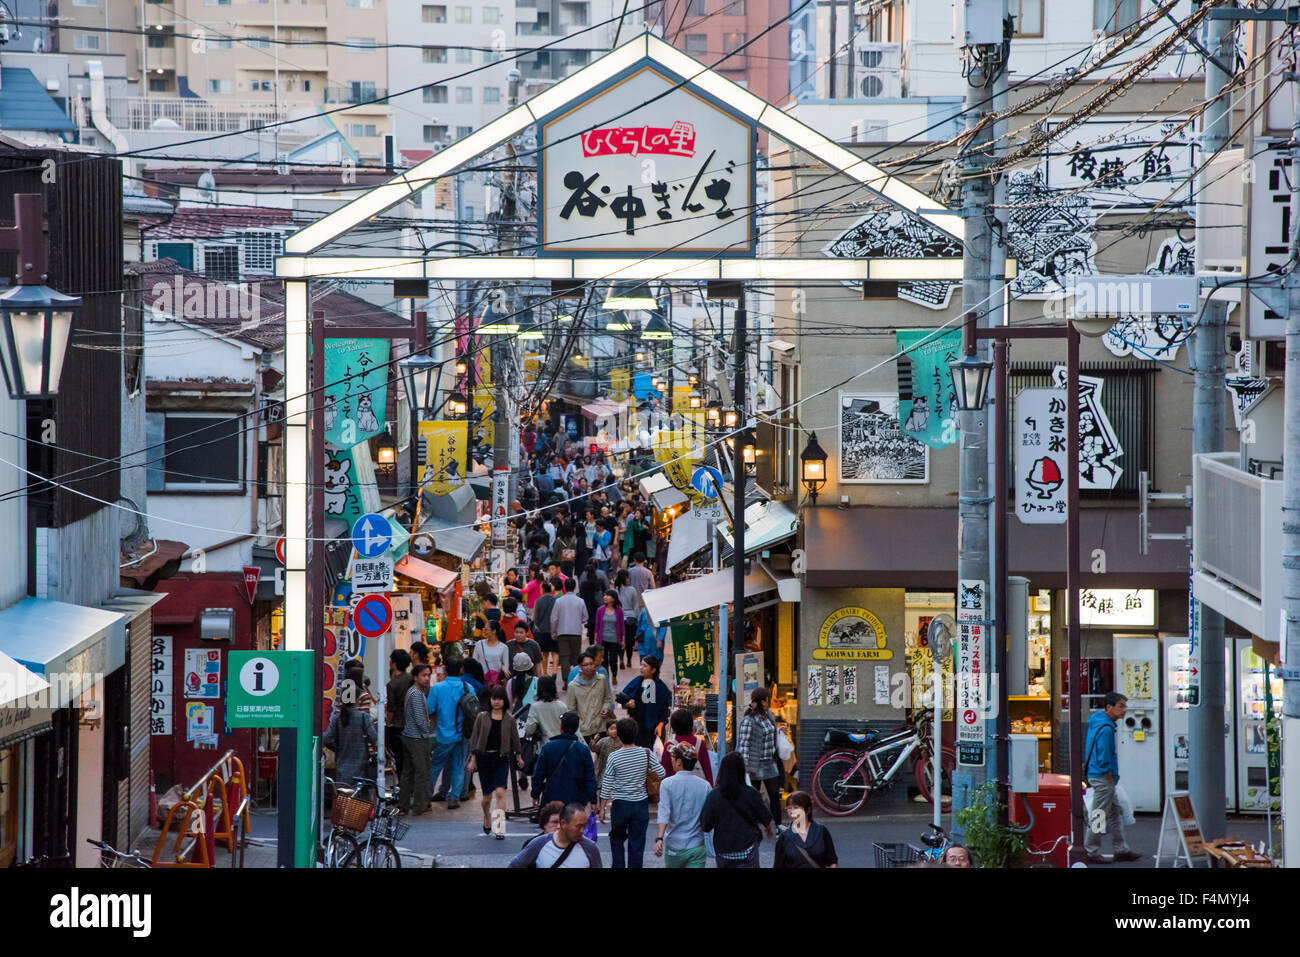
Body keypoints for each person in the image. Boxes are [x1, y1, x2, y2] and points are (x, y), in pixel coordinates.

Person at [597, 718, 666, 868]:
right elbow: (662, 772)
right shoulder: (645, 753)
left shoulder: (614, 757)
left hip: (620, 804)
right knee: (637, 842)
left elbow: (607, 783)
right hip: (640, 804)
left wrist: (602, 808)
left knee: (616, 839)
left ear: (619, 735)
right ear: (636, 734)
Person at [1084, 691, 1141, 863]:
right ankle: (1091, 851)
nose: (1124, 710)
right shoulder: (1107, 728)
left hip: (1099, 775)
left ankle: (1121, 849)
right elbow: (1104, 755)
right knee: (1099, 814)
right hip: (1103, 777)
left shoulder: (1098, 722)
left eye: (1125, 706)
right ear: (1109, 707)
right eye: (1120, 706)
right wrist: (1108, 774)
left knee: (1115, 812)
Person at [467, 685, 524, 839]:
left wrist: (519, 756)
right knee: (486, 798)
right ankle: (487, 816)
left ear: (504, 700)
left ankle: (499, 827)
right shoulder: (482, 717)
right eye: (494, 699)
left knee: (500, 792)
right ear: (490, 700)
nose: (496, 702)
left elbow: (515, 740)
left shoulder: (509, 719)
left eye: (499, 699)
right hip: (484, 758)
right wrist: (473, 760)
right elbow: (474, 739)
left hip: (501, 759)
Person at [701, 752, 774, 868]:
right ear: (741, 771)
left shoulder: (714, 796)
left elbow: (706, 825)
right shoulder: (752, 793)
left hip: (723, 852)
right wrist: (768, 830)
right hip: (747, 850)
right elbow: (765, 817)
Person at [655, 743, 712, 868]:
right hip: (697, 845)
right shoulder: (705, 785)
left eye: (673, 757)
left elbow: (664, 813)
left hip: (674, 845)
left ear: (679, 762)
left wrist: (659, 838)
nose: (671, 760)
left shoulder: (667, 784)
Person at [425, 658, 468, 810]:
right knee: (458, 765)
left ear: (445, 670)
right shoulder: (467, 687)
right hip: (462, 732)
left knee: (435, 765)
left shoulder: (438, 688)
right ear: (461, 670)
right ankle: (454, 797)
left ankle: (427, 795)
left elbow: (429, 709)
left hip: (444, 734)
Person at [530, 711, 598, 808]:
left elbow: (539, 774)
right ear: (576, 728)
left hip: (552, 798)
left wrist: (535, 794)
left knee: (554, 822)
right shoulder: (583, 750)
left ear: (561, 726)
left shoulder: (548, 747)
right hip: (576, 800)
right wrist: (593, 800)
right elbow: (590, 777)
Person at [737, 687, 783, 823]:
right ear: (762, 701)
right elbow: (743, 744)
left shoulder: (768, 715)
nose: (769, 702)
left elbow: (770, 732)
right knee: (753, 796)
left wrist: (779, 730)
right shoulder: (748, 720)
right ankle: (751, 825)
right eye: (767, 700)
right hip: (754, 764)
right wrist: (745, 766)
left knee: (775, 794)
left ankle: (779, 826)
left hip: (769, 761)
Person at [509, 803, 603, 868]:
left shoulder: (590, 848)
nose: (582, 831)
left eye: (584, 826)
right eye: (578, 826)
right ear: (563, 823)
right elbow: (514, 865)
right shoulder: (539, 844)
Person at [322, 681, 377, 786]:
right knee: (359, 800)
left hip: (341, 767)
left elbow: (326, 739)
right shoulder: (362, 717)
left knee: (343, 798)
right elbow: (373, 736)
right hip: (361, 767)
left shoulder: (336, 718)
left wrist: (337, 747)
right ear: (356, 700)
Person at [397, 664, 434, 816]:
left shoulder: (411, 692)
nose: (426, 678)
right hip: (417, 738)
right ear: (415, 677)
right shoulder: (417, 694)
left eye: (428, 675)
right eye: (423, 675)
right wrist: (428, 732)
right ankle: (420, 805)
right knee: (422, 773)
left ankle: (403, 805)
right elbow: (420, 720)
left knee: (407, 773)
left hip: (408, 736)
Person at [616, 656, 672, 749]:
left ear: (653, 670)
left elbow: (665, 709)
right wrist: (628, 703)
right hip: (637, 727)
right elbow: (622, 696)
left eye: (645, 666)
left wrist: (661, 724)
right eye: (641, 665)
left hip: (653, 729)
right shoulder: (638, 681)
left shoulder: (660, 688)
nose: (641, 668)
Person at [773, 791, 838, 868]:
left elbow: (832, 861)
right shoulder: (784, 837)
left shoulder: (821, 831)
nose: (791, 812)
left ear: (808, 810)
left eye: (796, 807)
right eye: (789, 808)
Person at [566, 650, 615, 742]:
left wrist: (605, 708)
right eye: (586, 665)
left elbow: (607, 698)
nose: (589, 667)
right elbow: (571, 710)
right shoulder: (573, 686)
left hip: (601, 727)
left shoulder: (601, 680)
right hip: (583, 730)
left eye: (591, 664)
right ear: (580, 667)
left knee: (602, 755)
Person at [550, 577, 589, 688]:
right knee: (576, 656)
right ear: (574, 587)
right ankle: (576, 679)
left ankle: (566, 681)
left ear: (565, 587)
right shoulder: (580, 601)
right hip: (576, 632)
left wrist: (553, 632)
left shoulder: (559, 601)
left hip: (562, 632)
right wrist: (578, 621)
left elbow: (554, 618)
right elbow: (585, 617)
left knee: (564, 657)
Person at [661, 707, 713, 784]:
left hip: (674, 788)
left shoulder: (669, 745)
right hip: (697, 788)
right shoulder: (700, 744)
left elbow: (665, 771)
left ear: (673, 726)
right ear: (691, 725)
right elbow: (707, 770)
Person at [384, 648, 413, 781]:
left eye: (390, 660)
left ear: (394, 663)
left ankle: (403, 785)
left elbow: (391, 708)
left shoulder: (392, 684)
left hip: (398, 725)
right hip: (412, 723)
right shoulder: (412, 679)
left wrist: (388, 724)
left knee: (399, 757)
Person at [594, 590, 626, 683]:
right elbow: (597, 626)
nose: (605, 597)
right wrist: (596, 640)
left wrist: (623, 640)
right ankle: (606, 679)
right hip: (602, 639)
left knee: (613, 660)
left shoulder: (619, 611)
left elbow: (622, 626)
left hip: (614, 640)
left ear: (613, 598)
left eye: (607, 595)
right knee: (604, 661)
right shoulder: (600, 610)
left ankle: (614, 675)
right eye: (605, 595)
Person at [524, 675, 567, 744]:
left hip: (545, 744)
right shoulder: (562, 706)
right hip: (562, 743)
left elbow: (529, 729)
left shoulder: (535, 707)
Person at [532, 578, 559, 677]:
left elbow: (535, 618)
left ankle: (545, 672)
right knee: (555, 651)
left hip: (543, 630)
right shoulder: (556, 600)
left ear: (543, 589)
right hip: (554, 629)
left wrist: (539, 624)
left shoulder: (538, 601)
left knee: (544, 652)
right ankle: (555, 671)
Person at [473, 618, 512, 685]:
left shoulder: (503, 647)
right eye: (484, 629)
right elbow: (474, 662)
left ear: (494, 631)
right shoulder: (479, 644)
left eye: (486, 629)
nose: (484, 631)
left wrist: (502, 667)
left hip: (495, 683)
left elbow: (506, 668)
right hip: (480, 681)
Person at [592, 716, 622, 798]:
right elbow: (594, 749)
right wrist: (594, 741)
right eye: (611, 729)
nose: (614, 731)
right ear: (607, 731)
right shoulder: (603, 741)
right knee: (602, 791)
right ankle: (601, 807)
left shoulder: (622, 742)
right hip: (604, 770)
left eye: (616, 729)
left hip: (618, 771)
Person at [578, 560, 607, 643]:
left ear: (587, 573)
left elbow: (582, 596)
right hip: (599, 606)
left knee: (591, 629)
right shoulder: (600, 582)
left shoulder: (584, 584)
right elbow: (606, 591)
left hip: (589, 608)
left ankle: (591, 645)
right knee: (600, 627)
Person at [614, 570, 639, 668]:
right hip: (631, 617)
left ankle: (620, 659)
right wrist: (637, 619)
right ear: (626, 578)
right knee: (629, 641)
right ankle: (629, 660)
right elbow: (635, 606)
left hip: (619, 618)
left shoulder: (615, 590)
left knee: (620, 640)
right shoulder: (632, 590)